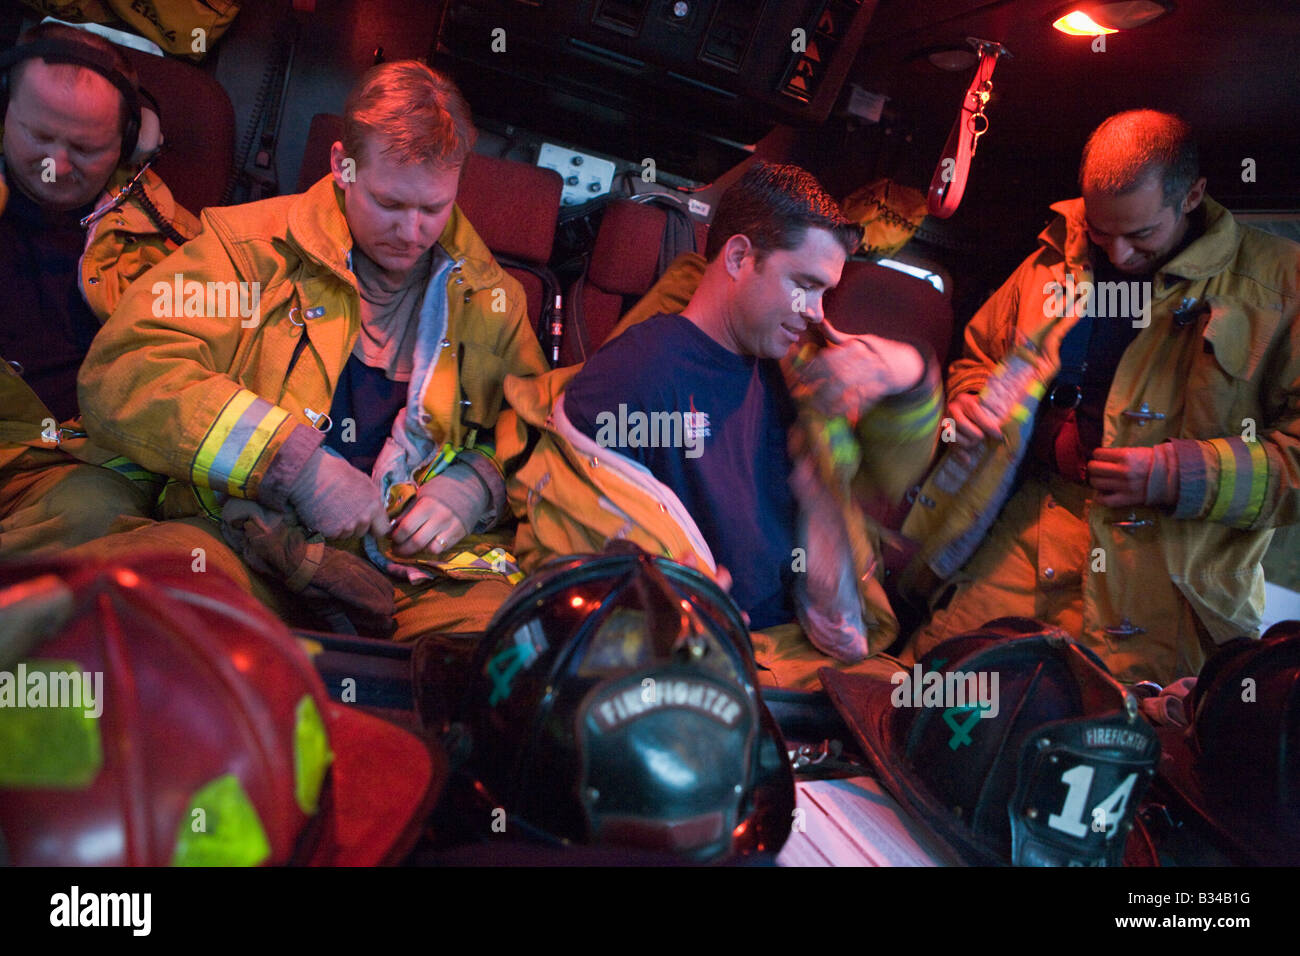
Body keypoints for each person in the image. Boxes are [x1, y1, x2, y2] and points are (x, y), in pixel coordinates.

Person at [78, 60, 549, 637]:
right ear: (341, 166)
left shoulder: (492, 299)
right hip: (245, 544)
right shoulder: (249, 253)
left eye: (433, 208)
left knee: (504, 653)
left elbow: (537, 431)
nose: (412, 232)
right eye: (390, 204)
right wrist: (295, 468)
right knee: (164, 617)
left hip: (416, 576)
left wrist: (476, 486)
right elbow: (125, 371)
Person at [499, 162, 942, 687]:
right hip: (716, 662)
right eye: (805, 284)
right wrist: (661, 589)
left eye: (827, 291)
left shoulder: (793, 374)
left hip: (809, 654)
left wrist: (908, 372)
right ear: (737, 257)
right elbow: (565, 515)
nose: (818, 312)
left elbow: (896, 473)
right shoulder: (642, 369)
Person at [903, 109, 1300, 684]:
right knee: (935, 692)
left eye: (1140, 235)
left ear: (1192, 196)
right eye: (1099, 230)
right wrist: (969, 398)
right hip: (1032, 528)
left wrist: (1178, 475)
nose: (1117, 255)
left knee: (1127, 737)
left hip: (1171, 573)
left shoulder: (1280, 286)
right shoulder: (1051, 261)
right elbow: (980, 358)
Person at [0, 22, 197, 555]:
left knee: (99, 517)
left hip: (66, 467)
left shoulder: (177, 245)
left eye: (85, 149)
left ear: (131, 144)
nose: (55, 167)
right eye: (38, 137)